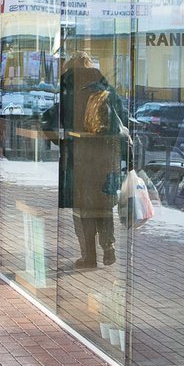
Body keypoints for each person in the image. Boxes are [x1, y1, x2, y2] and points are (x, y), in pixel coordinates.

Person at [57, 52, 127, 269]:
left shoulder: (69, 86)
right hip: (107, 156)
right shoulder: (105, 85)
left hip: (81, 155)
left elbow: (58, 119)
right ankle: (108, 246)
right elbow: (121, 117)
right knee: (103, 204)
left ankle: (89, 256)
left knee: (83, 208)